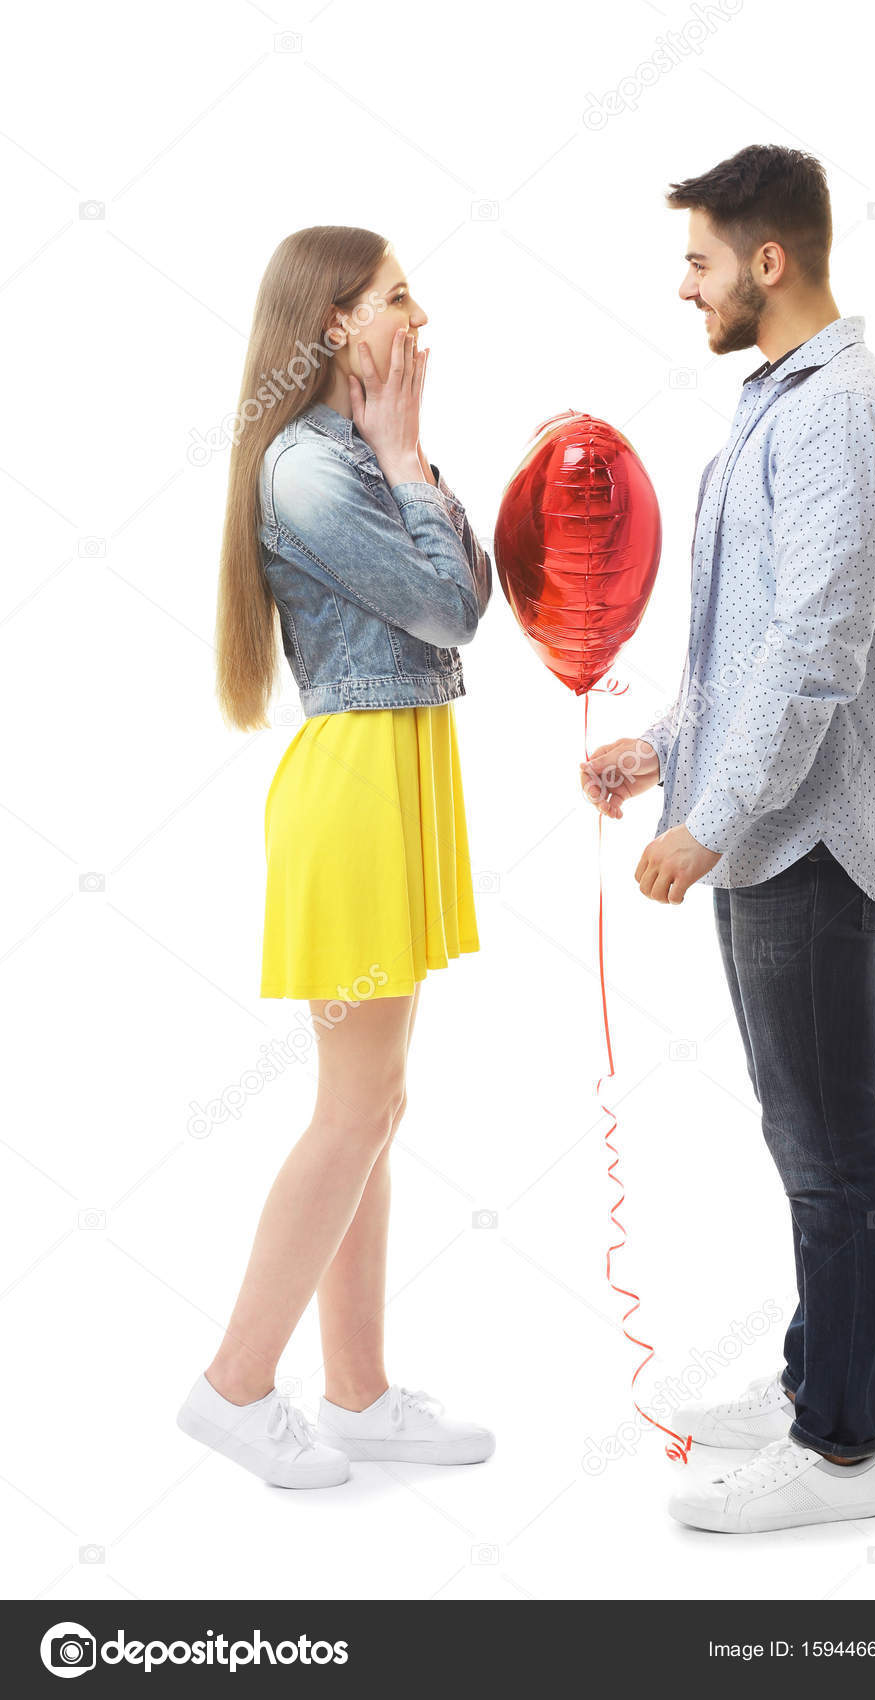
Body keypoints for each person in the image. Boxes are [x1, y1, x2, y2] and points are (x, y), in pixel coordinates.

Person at [581, 146, 875, 1534]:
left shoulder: (841, 415)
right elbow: (743, 649)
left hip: (808, 838)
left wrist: (711, 819)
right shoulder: (781, 403)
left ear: (767, 261)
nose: (687, 288)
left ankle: (841, 1454)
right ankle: (812, 1385)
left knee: (834, 1150)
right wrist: (661, 750)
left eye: (700, 262)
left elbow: (814, 655)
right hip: (762, 830)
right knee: (806, 1140)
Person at [177, 226, 495, 1488]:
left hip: (397, 769)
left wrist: (406, 456)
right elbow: (449, 609)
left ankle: (356, 1393)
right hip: (356, 787)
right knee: (354, 1106)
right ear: (333, 324)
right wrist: (409, 457)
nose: (419, 318)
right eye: (396, 297)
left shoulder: (354, 449)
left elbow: (468, 588)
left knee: (378, 1103)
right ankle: (233, 1384)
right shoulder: (312, 465)